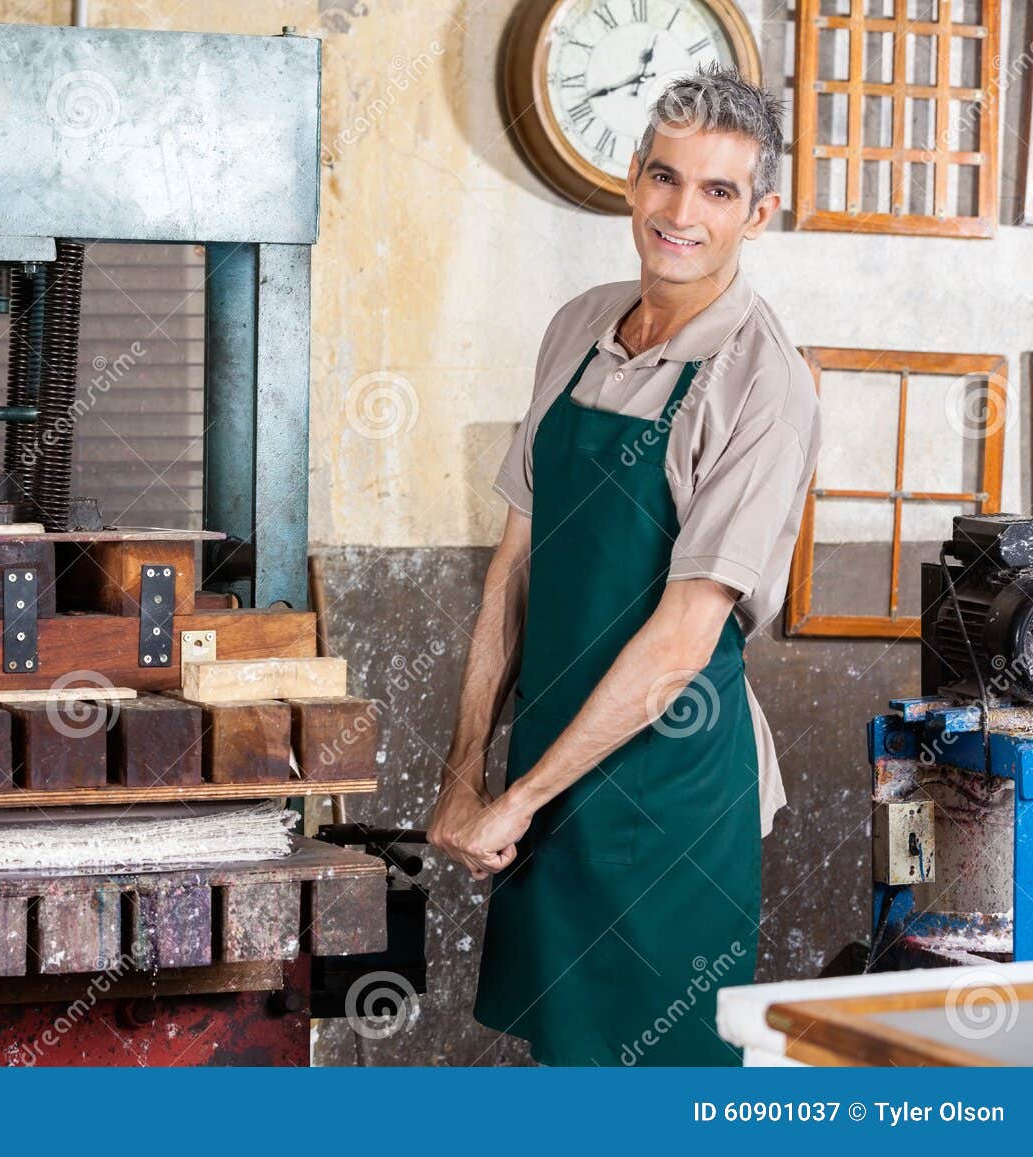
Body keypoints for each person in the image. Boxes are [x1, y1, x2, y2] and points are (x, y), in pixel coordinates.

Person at [428, 66, 820, 1066]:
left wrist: (515, 798)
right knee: (564, 1060)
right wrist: (465, 770)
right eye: (664, 177)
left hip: (670, 789)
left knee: (656, 1077)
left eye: (718, 191)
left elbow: (685, 633)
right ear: (632, 182)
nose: (680, 212)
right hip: (549, 770)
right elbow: (512, 567)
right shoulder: (577, 326)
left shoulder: (762, 378)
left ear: (759, 213)